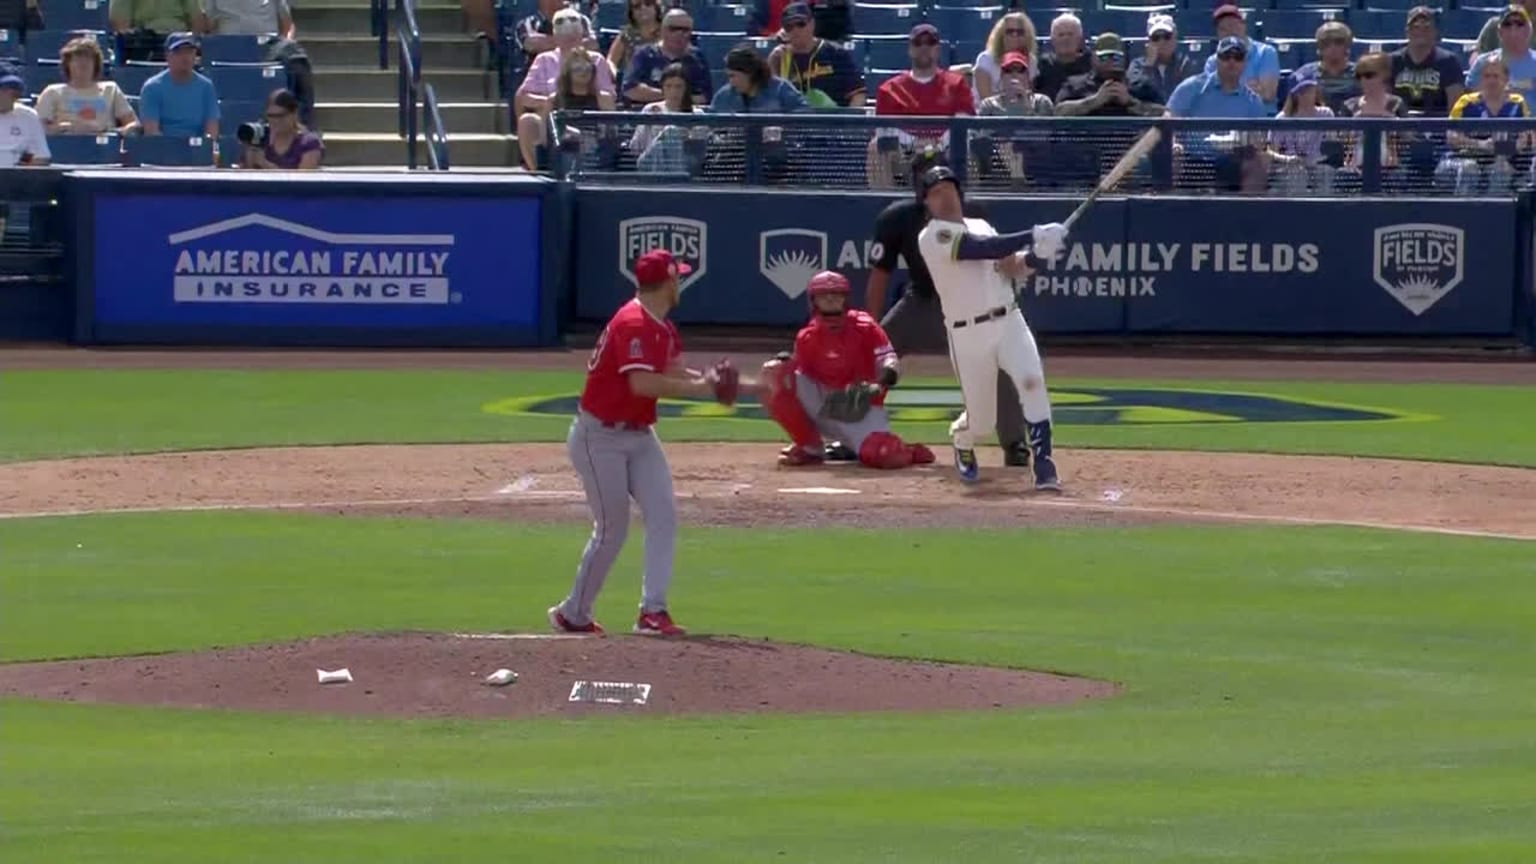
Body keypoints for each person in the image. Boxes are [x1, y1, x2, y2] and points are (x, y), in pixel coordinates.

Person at [547, 249, 742, 638]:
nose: (680, 283)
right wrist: (701, 387)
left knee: (663, 514)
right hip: (599, 437)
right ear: (669, 281)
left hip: (639, 435)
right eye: (678, 277)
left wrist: (714, 380)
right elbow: (643, 383)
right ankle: (574, 612)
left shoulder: (660, 325)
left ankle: (652, 611)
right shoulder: (633, 322)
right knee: (612, 529)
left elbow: (669, 369)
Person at [862, 149, 1035, 468]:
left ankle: (1014, 444)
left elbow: (994, 258)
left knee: (999, 365)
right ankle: (852, 434)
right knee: (869, 357)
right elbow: (880, 274)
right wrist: (869, 329)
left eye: (942, 174)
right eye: (928, 176)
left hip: (968, 307)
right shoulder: (897, 218)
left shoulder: (973, 215)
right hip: (921, 303)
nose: (937, 181)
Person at [914, 166, 1066, 490]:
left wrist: (1039, 256)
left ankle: (1044, 464)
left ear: (959, 192)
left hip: (1009, 320)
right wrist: (1032, 234)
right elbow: (979, 249)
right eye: (936, 193)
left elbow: (1011, 267)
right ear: (926, 202)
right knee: (983, 422)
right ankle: (962, 439)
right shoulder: (932, 236)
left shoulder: (981, 224)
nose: (945, 197)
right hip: (967, 334)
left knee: (1032, 382)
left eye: (949, 190)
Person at [761, 270, 935, 469]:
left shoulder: (865, 326)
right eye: (824, 296)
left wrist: (881, 383)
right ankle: (810, 448)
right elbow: (798, 378)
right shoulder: (806, 337)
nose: (830, 300)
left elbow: (888, 359)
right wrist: (783, 365)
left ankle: (908, 451)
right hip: (827, 405)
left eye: (835, 295)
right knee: (775, 371)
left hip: (862, 408)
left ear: (845, 299)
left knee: (883, 455)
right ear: (813, 301)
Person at [869, 23, 974, 187]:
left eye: (930, 43)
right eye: (918, 43)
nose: (924, 48)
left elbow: (964, 126)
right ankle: (884, 206)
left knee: (970, 148)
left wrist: (935, 145)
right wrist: (914, 146)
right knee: (876, 148)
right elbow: (885, 134)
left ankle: (965, 207)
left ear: (938, 49)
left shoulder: (957, 83)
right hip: (906, 155)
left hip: (945, 151)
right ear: (910, 49)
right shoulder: (889, 88)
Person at [1166, 36, 1270, 193]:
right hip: (1192, 159)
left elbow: (1260, 141)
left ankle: (1248, 214)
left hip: (1232, 161)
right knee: (1171, 155)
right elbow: (1169, 118)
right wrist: (1174, 143)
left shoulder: (1253, 101)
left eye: (1238, 57)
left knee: (1257, 161)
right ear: (1217, 59)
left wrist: (1245, 141)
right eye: (1226, 56)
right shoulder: (1192, 87)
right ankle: (1168, 210)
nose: (1232, 62)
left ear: (1244, 63)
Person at [515, 7, 614, 169]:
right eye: (565, 36)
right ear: (555, 36)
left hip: (588, 118)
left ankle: (598, 167)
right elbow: (524, 96)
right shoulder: (544, 59)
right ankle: (539, 171)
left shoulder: (596, 60)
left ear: (582, 35)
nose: (570, 41)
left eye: (574, 36)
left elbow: (608, 95)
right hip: (554, 115)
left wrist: (582, 90)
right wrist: (551, 100)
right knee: (528, 121)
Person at [202, 0, 315, 125]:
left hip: (269, 51)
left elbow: (287, 25)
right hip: (230, 53)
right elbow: (208, 26)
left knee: (297, 61)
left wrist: (284, 46)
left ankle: (304, 129)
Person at [1439, 57, 1531, 194]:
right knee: (1469, 169)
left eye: (1496, 76)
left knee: (1501, 169)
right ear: (1481, 79)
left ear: (1506, 79)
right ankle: (1462, 212)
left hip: (1503, 160)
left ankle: (1495, 213)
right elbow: (1451, 137)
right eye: (1487, 76)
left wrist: (1498, 148)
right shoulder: (1466, 102)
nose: (1491, 80)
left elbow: (1524, 140)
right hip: (1463, 159)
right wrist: (1480, 145)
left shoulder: (1517, 102)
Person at [766, 2, 865, 108]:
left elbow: (858, 95)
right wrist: (771, 64)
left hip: (833, 120)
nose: (795, 30)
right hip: (794, 122)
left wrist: (846, 120)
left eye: (800, 24)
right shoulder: (780, 58)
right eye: (789, 26)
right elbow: (770, 100)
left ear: (812, 24)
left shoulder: (836, 53)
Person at [35, 36, 138, 135]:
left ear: (95, 64)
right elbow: (36, 127)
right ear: (67, 64)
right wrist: (65, 127)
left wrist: (115, 132)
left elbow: (133, 123)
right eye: (77, 59)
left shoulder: (111, 90)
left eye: (88, 59)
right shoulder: (52, 92)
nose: (83, 63)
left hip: (103, 147)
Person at [1054, 33, 1164, 117]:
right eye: (1104, 57)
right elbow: (1058, 112)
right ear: (1093, 58)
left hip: (1134, 143)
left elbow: (1164, 114)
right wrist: (1095, 101)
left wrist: (1130, 102)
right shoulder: (1076, 85)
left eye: (1116, 57)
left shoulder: (1140, 86)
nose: (1110, 61)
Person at [622, 8, 712, 107]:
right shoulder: (644, 54)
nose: (679, 34)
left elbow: (703, 97)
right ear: (662, 30)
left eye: (685, 30)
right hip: (647, 117)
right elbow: (630, 90)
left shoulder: (697, 58)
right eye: (673, 29)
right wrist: (673, 96)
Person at [139, 32, 220, 138]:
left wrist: (202, 149)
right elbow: (152, 133)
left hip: (197, 150)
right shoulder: (152, 88)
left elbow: (211, 131)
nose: (185, 57)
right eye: (178, 52)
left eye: (189, 51)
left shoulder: (206, 87)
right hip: (164, 150)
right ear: (167, 56)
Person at [1203, 5, 1280, 113]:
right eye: (1223, 29)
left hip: (1261, 120)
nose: (1230, 31)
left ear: (1244, 26)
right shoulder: (1212, 62)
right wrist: (1248, 87)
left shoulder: (1265, 53)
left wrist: (1229, 89)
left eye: (1233, 25)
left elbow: (1267, 95)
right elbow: (1211, 96)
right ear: (1218, 34)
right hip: (1225, 118)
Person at [1268, 73, 1337, 195]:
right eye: (1301, 92)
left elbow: (1333, 147)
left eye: (1309, 90)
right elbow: (1270, 151)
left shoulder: (1326, 114)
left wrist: (1322, 158)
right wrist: (1287, 159)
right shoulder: (1282, 118)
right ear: (1294, 94)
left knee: (1326, 173)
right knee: (1298, 175)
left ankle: (1325, 212)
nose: (1306, 95)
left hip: (1317, 165)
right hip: (1289, 167)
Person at [1390, 7, 1466, 116]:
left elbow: (1455, 108)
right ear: (1407, 32)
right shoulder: (1393, 61)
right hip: (1399, 128)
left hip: (1437, 128)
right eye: (1415, 27)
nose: (1420, 32)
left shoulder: (1448, 62)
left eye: (1426, 27)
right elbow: (1384, 101)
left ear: (1435, 32)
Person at [628, 63, 701, 174]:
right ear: (662, 88)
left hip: (685, 165)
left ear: (686, 88)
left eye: (678, 86)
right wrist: (651, 126)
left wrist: (687, 136)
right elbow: (636, 147)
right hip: (649, 164)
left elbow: (699, 153)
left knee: (672, 132)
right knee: (670, 131)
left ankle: (672, 179)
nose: (673, 91)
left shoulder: (697, 114)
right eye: (668, 86)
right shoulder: (650, 109)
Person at [1467, 7, 1536, 106]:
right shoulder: (1483, 63)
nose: (1513, 29)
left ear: (1528, 31)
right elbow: (1471, 96)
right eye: (1507, 24)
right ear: (1500, 32)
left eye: (1519, 24)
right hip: (1491, 120)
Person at [240, 88, 322, 169]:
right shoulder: (260, 137)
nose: (275, 121)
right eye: (271, 116)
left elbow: (303, 179)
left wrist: (265, 164)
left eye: (280, 116)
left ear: (294, 114)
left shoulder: (308, 143)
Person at [710, 45, 806, 112]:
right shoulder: (724, 96)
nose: (731, 81)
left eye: (733, 76)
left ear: (749, 73)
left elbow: (804, 114)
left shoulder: (780, 89)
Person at [1130, 13, 1199, 102]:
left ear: (1175, 38)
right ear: (1149, 42)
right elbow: (1137, 93)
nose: (1162, 42)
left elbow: (1191, 95)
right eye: (1156, 38)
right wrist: (1149, 66)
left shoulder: (1185, 64)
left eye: (1167, 36)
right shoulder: (1137, 65)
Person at [1292, 21, 1359, 114]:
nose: (1333, 47)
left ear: (1347, 45)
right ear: (1319, 47)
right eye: (1326, 43)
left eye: (1338, 42)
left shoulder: (1361, 72)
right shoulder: (1306, 73)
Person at [972, 12, 1036, 103]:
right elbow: (986, 101)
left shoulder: (1031, 61)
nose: (1015, 35)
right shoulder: (985, 59)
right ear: (1001, 35)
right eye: (1010, 31)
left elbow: (1030, 95)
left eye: (1020, 32)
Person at [1034, 13, 1090, 102]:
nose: (1065, 39)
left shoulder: (1091, 65)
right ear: (1052, 39)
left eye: (1070, 34)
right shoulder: (1042, 67)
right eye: (1061, 35)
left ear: (1080, 38)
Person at [0, 70, 49, 167]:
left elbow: (41, 157)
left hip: (16, 177)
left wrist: (21, 163)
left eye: (14, 93)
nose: (11, 96)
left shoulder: (28, 115)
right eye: (3, 90)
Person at [606, 0, 660, 78]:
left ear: (656, 7)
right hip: (631, 82)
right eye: (637, 6)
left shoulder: (667, 31)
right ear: (632, 12)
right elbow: (611, 60)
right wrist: (615, 75)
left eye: (648, 3)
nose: (643, 8)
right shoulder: (627, 34)